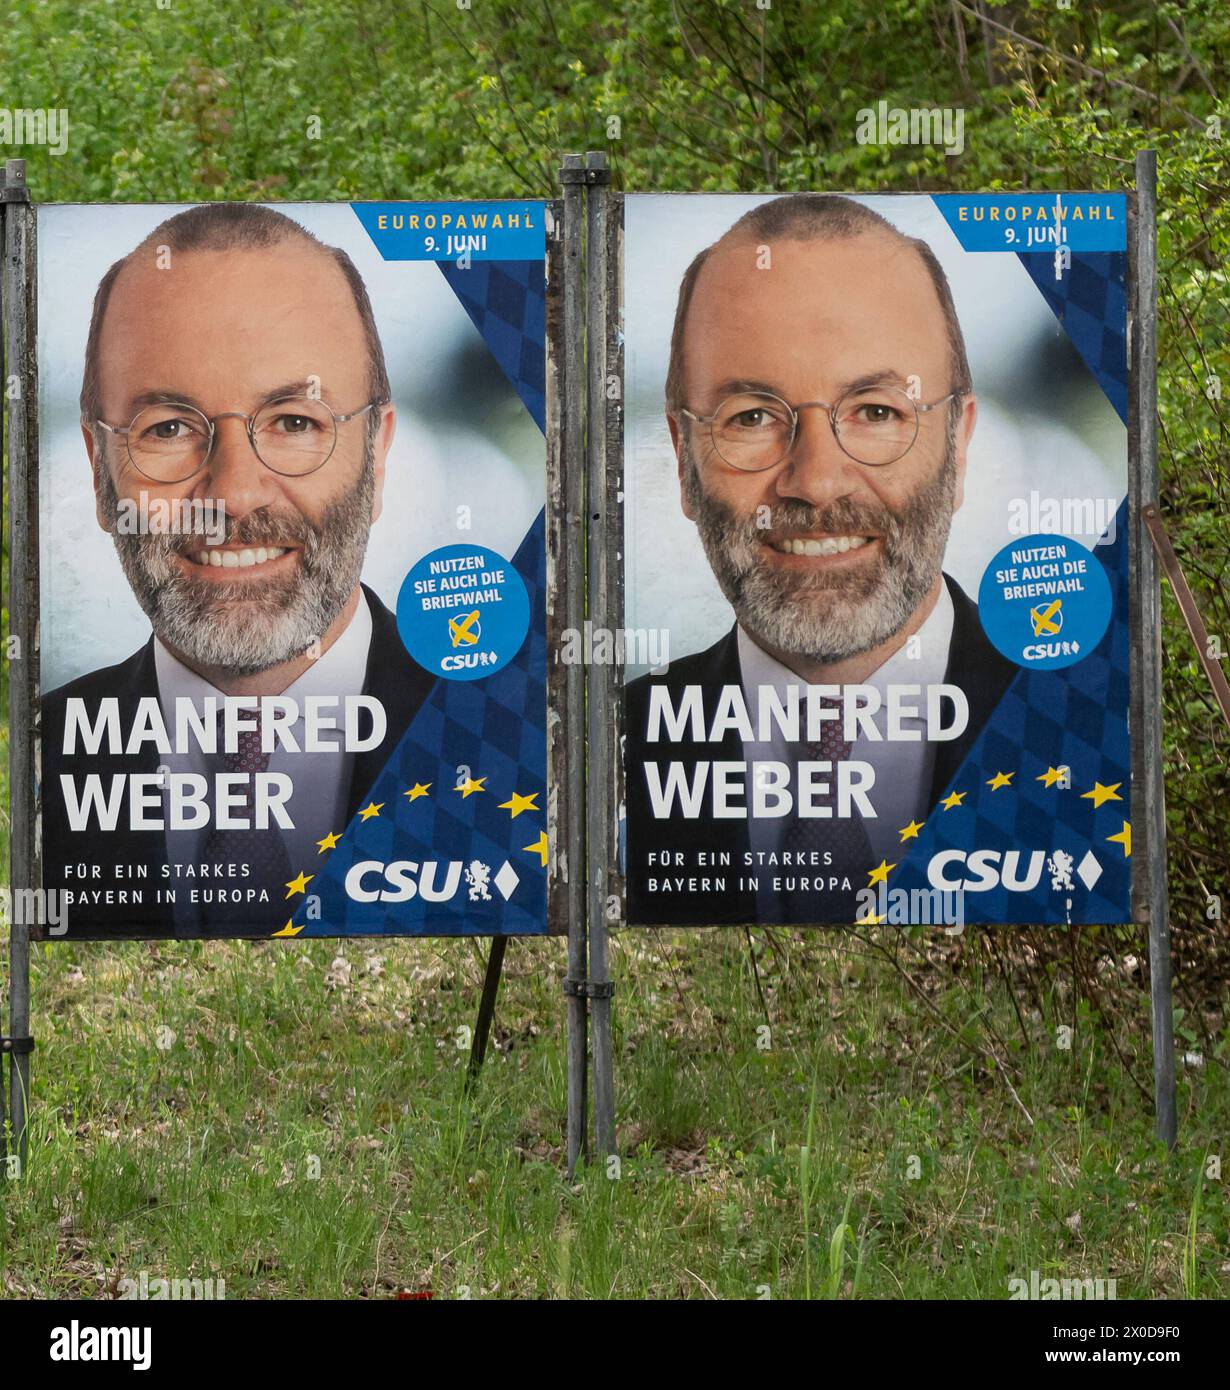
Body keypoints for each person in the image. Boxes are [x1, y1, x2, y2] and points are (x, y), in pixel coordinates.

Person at [42, 203, 433, 936]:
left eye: (293, 422)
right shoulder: (41, 763)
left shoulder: (493, 737)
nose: (232, 496)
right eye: (167, 429)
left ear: (376, 456)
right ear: (100, 471)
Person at [625, 194, 1015, 925]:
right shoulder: (611, 750)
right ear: (682, 462)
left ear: (958, 447)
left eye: (875, 412)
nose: (815, 482)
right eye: (751, 418)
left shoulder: (1060, 722)